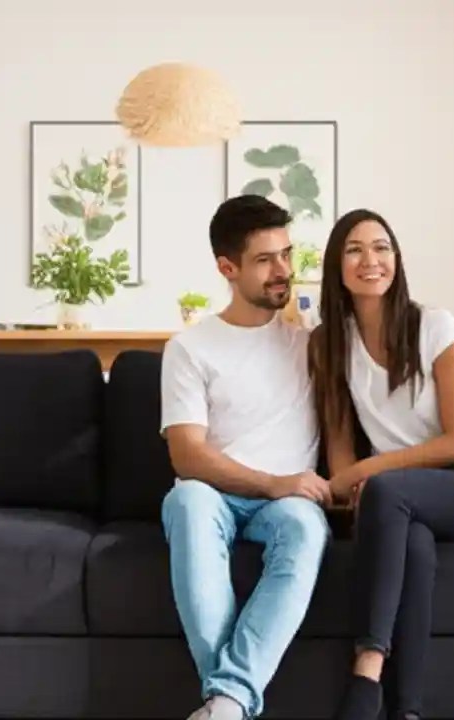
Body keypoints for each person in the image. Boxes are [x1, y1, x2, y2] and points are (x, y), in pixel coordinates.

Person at [308, 208, 454, 720]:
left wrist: (364, 476)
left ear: (397, 259)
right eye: (354, 250)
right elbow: (339, 455)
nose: (370, 260)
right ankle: (407, 711)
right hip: (398, 499)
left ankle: (366, 673)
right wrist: (351, 481)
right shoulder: (328, 343)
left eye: (382, 247)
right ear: (336, 265)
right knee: (414, 548)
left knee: (389, 494)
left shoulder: (434, 326)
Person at [160, 194, 333, 720]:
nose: (283, 271)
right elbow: (188, 456)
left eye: (286, 254)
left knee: (306, 527)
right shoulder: (190, 347)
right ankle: (232, 700)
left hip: (285, 507)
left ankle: (225, 702)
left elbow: (398, 376)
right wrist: (275, 481)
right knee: (188, 502)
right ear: (227, 268)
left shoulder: (312, 345)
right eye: (265, 260)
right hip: (214, 495)